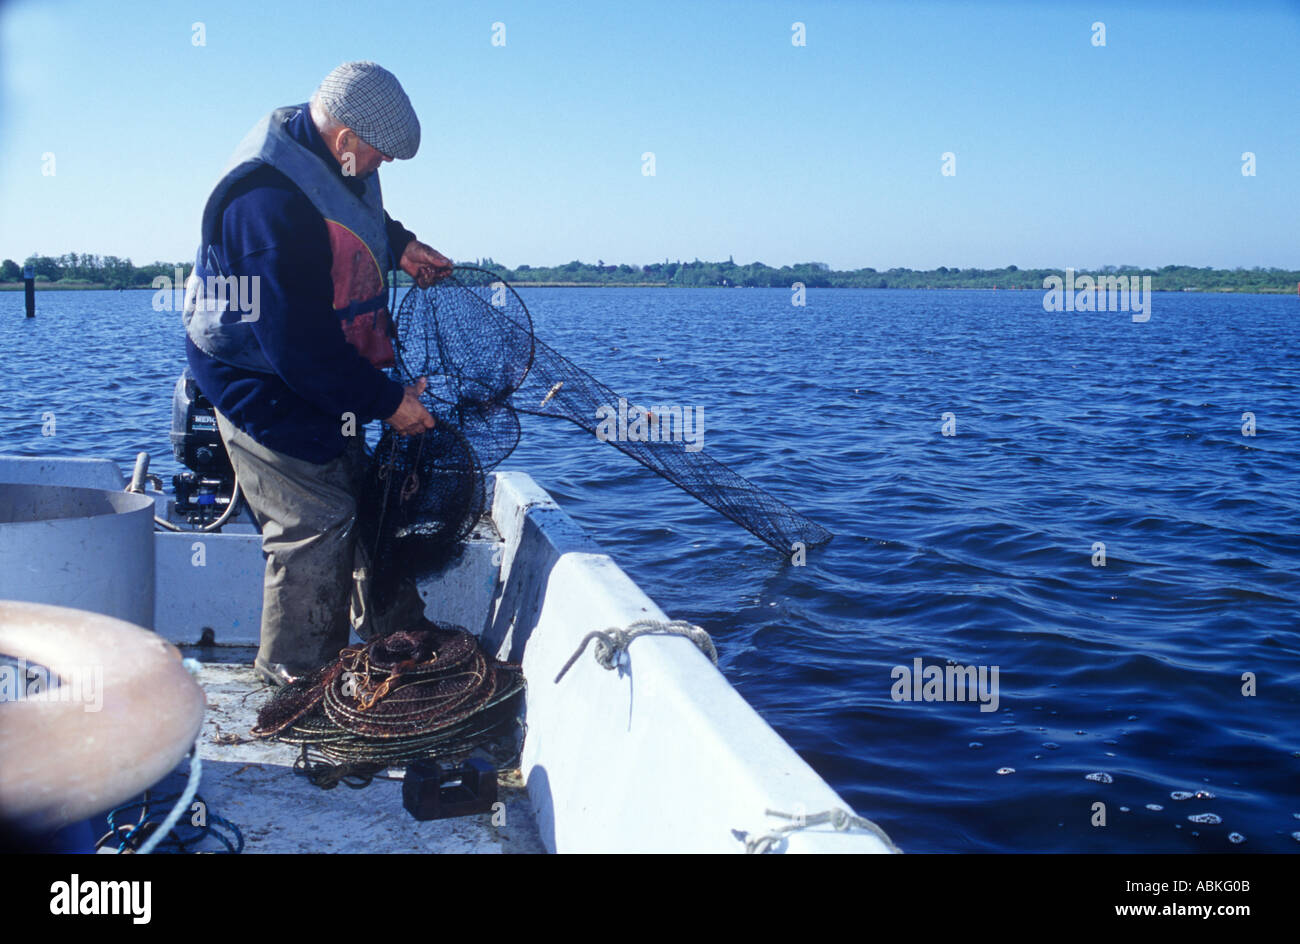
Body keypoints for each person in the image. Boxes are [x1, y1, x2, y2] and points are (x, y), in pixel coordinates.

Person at [183, 61, 451, 686]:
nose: (380, 170)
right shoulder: (265, 207)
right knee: (316, 522)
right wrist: (388, 403)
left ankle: (394, 639)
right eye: (381, 157)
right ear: (346, 138)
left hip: (317, 366)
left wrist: (400, 244)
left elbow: (348, 214)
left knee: (366, 500)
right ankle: (297, 683)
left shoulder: (329, 155)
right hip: (257, 378)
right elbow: (297, 349)